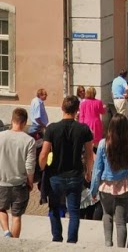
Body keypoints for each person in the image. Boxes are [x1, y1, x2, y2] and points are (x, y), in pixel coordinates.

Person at [41, 95, 95, 244]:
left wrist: (41, 167)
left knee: (54, 208)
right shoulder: (83, 129)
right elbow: (89, 154)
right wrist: (89, 171)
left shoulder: (52, 128)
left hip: (56, 175)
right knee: (74, 211)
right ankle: (71, 242)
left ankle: (57, 237)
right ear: (77, 110)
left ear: (62, 108)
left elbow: (44, 153)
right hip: (75, 174)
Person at [89, 113, 128, 247]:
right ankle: (120, 248)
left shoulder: (103, 144)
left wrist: (93, 190)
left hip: (106, 185)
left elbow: (97, 170)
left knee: (107, 214)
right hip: (125, 185)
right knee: (121, 221)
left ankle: (108, 244)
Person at [0, 106, 38, 240]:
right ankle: (13, 243)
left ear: (12, 120)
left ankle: (6, 232)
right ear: (25, 122)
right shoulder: (29, 141)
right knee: (16, 216)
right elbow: (30, 165)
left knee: (1, 209)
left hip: (2, 181)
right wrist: (30, 182)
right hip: (19, 184)